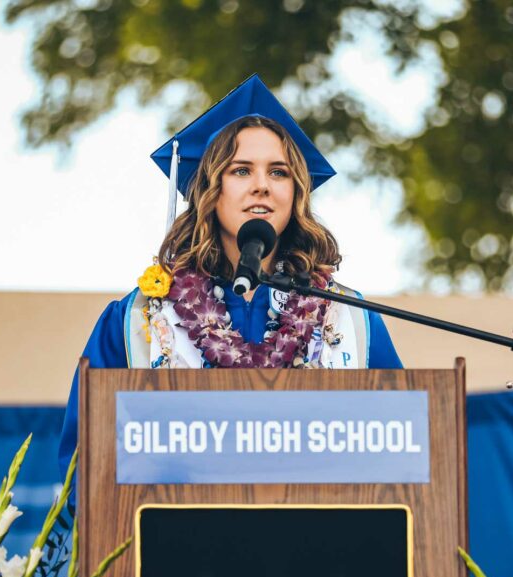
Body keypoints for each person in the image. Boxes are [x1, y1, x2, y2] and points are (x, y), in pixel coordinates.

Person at [57, 76, 402, 479]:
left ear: (296, 192)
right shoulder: (137, 320)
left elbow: (400, 445)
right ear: (208, 188)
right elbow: (83, 470)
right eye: (241, 170)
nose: (261, 186)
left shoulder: (350, 317)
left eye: (279, 172)